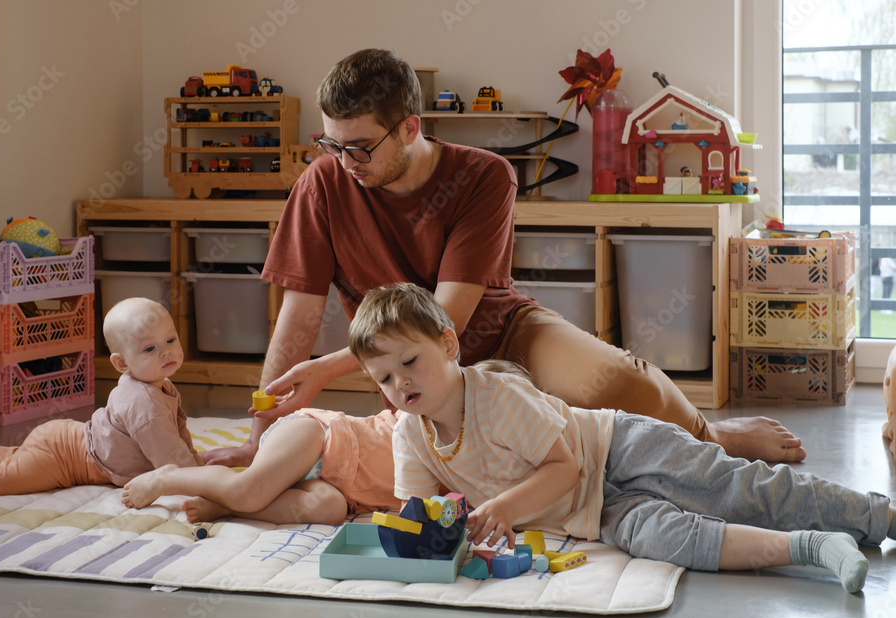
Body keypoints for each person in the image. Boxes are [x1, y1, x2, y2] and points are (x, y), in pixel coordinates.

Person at [208, 47, 803, 470]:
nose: (344, 160)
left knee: (617, 383)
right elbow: (298, 317)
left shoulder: (484, 175)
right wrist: (263, 433)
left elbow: (448, 321)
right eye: (330, 144)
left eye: (359, 146)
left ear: (410, 127)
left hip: (502, 332)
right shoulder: (321, 185)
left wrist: (327, 368)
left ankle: (711, 436)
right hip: (409, 362)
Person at [347, 283, 896, 594]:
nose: (400, 384)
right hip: (590, 514)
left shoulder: (493, 396)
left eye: (410, 362)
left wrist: (502, 509)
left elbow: (562, 467)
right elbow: (416, 508)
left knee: (738, 489)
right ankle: (816, 547)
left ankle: (879, 517)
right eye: (384, 378)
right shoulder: (410, 435)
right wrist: (439, 524)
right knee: (675, 541)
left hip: (617, 449)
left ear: (448, 345)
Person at [0, 298, 202, 496]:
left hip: (65, 438)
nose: (166, 351)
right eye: (149, 348)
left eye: (171, 339)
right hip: (63, 459)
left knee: (12, 457)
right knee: (2, 479)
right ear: (121, 363)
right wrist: (201, 481)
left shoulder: (155, 383)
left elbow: (176, 434)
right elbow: (172, 465)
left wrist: (195, 460)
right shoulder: (145, 403)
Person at [120, 406, 400, 525]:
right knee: (248, 491)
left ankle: (226, 506)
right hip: (322, 437)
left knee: (330, 510)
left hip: (336, 486)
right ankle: (168, 478)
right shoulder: (425, 423)